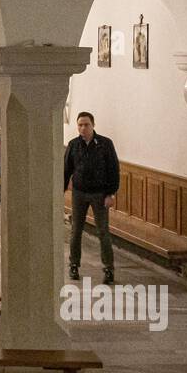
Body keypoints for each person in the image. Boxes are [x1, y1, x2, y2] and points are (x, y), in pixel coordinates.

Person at [63, 111, 120, 284]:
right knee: (76, 230)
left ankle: (108, 268)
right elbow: (67, 169)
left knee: (103, 232)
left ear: (93, 125)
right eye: (80, 124)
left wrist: (111, 193)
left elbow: (113, 169)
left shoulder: (104, 144)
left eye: (86, 124)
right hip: (79, 193)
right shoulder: (73, 145)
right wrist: (62, 189)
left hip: (99, 193)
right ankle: (74, 264)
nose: (82, 128)